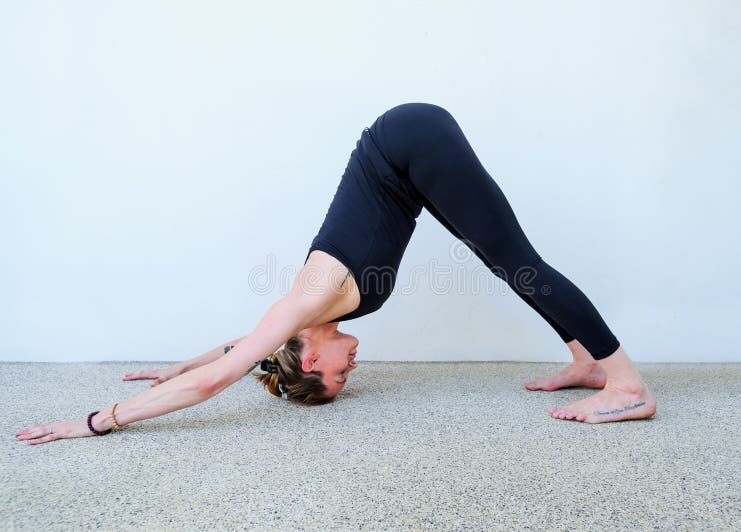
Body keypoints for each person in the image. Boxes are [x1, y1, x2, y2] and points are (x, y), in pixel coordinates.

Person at [15, 103, 655, 446]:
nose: (354, 367)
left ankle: (626, 383)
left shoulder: (306, 303)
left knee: (520, 264)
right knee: (505, 263)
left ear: (308, 356)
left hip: (407, 139)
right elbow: (235, 352)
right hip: (407, 161)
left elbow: (218, 379)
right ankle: (588, 360)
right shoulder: (309, 319)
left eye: (340, 374)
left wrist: (99, 420)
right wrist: (174, 365)